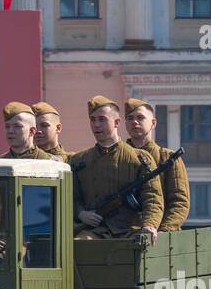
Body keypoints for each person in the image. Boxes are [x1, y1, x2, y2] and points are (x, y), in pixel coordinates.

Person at [69, 95, 164, 241]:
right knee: (80, 245)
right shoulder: (79, 160)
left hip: (130, 230)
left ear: (117, 122)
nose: (96, 125)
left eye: (102, 119)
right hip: (94, 231)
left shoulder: (139, 158)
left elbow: (152, 197)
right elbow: (71, 197)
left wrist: (150, 225)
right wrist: (81, 213)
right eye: (93, 120)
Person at [125, 97, 191, 231]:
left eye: (140, 118)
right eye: (130, 118)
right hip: (123, 232)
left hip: (159, 233)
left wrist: (163, 231)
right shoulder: (119, 158)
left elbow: (179, 202)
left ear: (153, 123)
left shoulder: (168, 158)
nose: (135, 122)